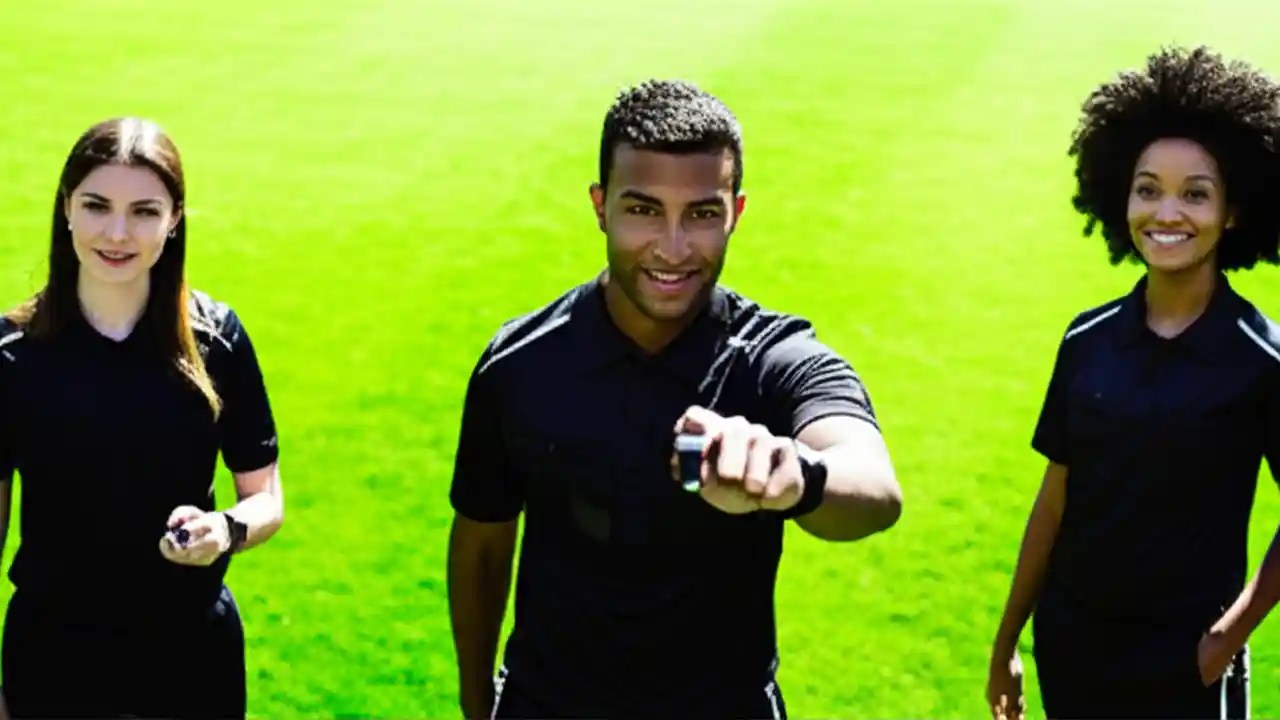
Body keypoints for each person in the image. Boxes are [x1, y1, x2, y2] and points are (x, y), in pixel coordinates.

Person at [446, 78, 903, 720]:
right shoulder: (519, 363)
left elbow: (875, 490)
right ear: (600, 206)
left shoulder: (771, 357)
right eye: (642, 210)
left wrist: (795, 476)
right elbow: (483, 542)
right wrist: (475, 702)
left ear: (735, 213)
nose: (673, 248)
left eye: (702, 214)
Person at [986, 46, 1280, 720]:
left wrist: (1224, 640)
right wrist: (1007, 641)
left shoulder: (1263, 360)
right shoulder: (1085, 340)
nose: (1166, 212)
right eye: (1148, 188)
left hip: (1188, 668)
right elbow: (1054, 500)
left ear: (1234, 211)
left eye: (1195, 194)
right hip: (1074, 650)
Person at [0, 117, 285, 719]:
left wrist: (224, 530)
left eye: (145, 211)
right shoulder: (12, 354)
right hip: (54, 657)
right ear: (66, 209)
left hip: (190, 655)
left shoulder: (216, 339)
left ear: (175, 218)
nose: (118, 233)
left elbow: (265, 498)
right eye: (97, 206)